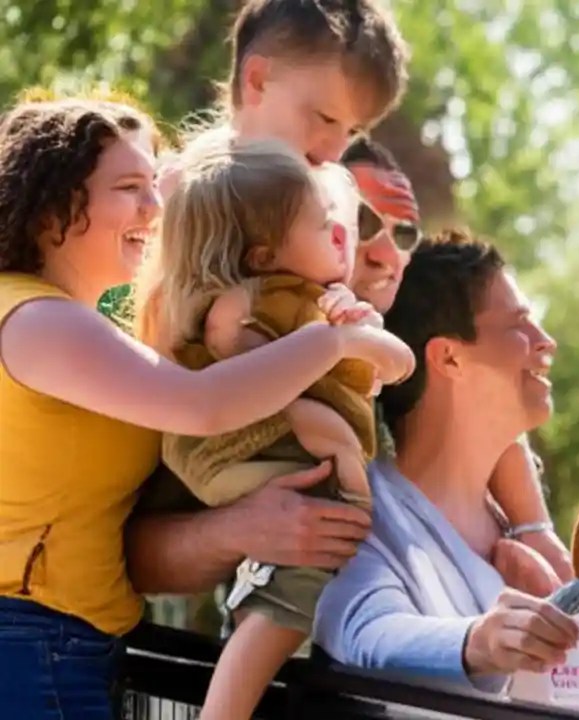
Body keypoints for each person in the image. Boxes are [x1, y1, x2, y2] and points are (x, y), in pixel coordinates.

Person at [125, 0, 569, 607]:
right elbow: (127, 536)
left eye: (352, 130)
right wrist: (236, 529)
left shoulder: (337, 201)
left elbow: (467, 370)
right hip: (273, 622)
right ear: (257, 81)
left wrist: (529, 526)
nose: (333, 152)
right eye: (325, 119)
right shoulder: (170, 234)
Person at [0, 95, 411, 718]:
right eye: (130, 187)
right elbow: (202, 407)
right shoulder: (37, 320)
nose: (155, 207)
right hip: (32, 644)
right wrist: (338, 342)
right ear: (57, 202)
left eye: (154, 184)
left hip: (67, 644)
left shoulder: (89, 328)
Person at [136, 138, 414, 719]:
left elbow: (397, 365)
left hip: (298, 464)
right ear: (263, 255)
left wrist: (362, 334)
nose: (343, 237)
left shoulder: (323, 302)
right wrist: (333, 348)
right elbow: (252, 377)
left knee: (297, 594)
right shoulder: (240, 305)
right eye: (322, 227)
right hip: (249, 456)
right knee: (286, 607)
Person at [313, 228, 579, 695]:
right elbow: (363, 630)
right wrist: (477, 642)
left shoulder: (519, 537)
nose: (547, 342)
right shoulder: (365, 512)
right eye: (519, 324)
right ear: (449, 358)